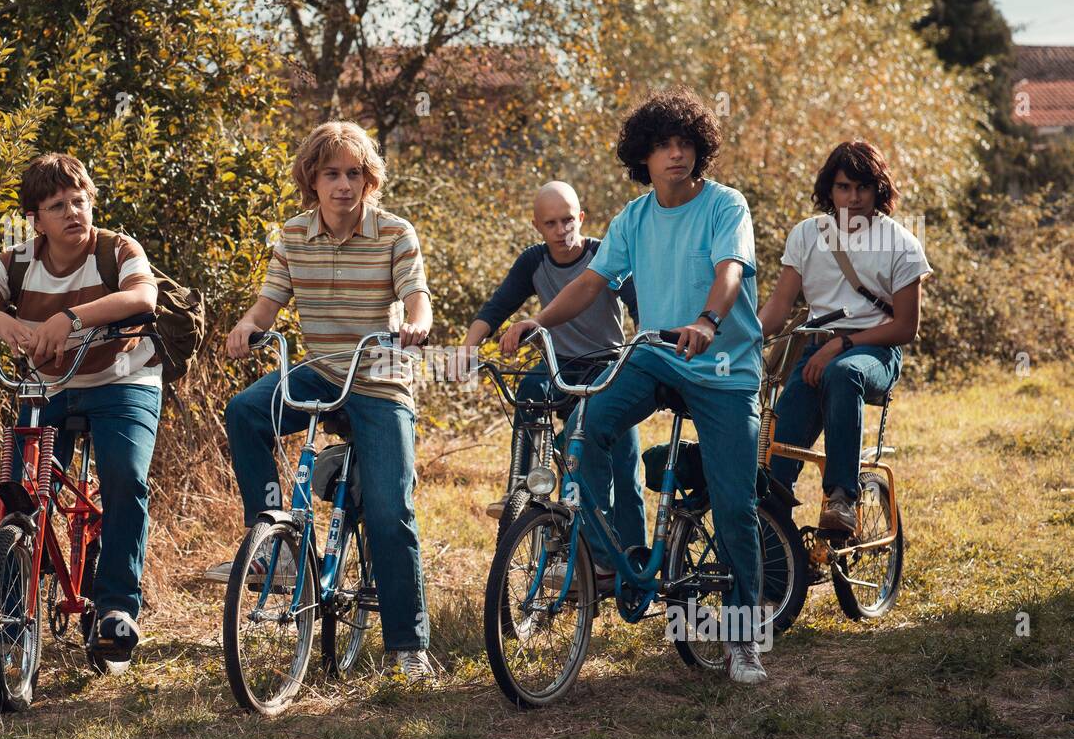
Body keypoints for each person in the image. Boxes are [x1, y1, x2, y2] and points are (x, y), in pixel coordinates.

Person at [500, 87, 768, 684]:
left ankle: (744, 637)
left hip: (725, 370)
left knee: (733, 506)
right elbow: (592, 284)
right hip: (653, 355)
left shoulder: (727, 206)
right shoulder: (633, 217)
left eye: (685, 144)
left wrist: (707, 321)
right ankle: (609, 554)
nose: (676, 155)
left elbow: (729, 272)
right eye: (662, 146)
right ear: (641, 156)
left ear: (700, 151)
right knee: (584, 428)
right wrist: (534, 322)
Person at [217, 121, 436, 684]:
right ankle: (279, 544)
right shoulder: (291, 235)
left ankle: (408, 644)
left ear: (369, 180)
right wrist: (246, 327)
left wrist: (416, 326)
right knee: (244, 412)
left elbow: (418, 299)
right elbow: (267, 304)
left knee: (392, 511)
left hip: (380, 378)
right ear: (311, 180)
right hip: (318, 371)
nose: (344, 185)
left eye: (354, 174)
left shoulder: (394, 232)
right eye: (332, 174)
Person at [0, 153, 162, 667]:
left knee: (126, 479)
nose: (72, 213)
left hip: (123, 382)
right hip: (48, 388)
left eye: (79, 201)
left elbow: (143, 297)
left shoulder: (117, 249)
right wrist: (1, 321)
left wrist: (68, 317)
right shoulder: (18, 260)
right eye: (57, 205)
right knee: (19, 492)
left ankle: (115, 612)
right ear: (36, 219)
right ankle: (11, 624)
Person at [758, 140, 930, 533]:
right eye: (843, 187)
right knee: (772, 468)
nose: (853, 197)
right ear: (828, 190)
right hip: (814, 354)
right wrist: (736, 339)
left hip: (875, 352)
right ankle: (776, 573)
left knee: (843, 373)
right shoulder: (806, 235)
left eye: (863, 188)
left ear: (878, 190)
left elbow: (906, 327)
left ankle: (842, 498)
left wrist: (841, 344)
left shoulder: (900, 242)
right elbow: (778, 306)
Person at [461, 181, 640, 539]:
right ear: (537, 226)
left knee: (625, 461)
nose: (561, 231)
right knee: (529, 387)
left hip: (607, 363)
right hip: (558, 363)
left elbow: (640, 306)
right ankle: (521, 485)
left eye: (568, 221)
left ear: (581, 218)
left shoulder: (603, 255)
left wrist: (646, 351)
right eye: (551, 224)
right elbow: (498, 307)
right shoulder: (533, 260)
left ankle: (633, 551)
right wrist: (467, 348)